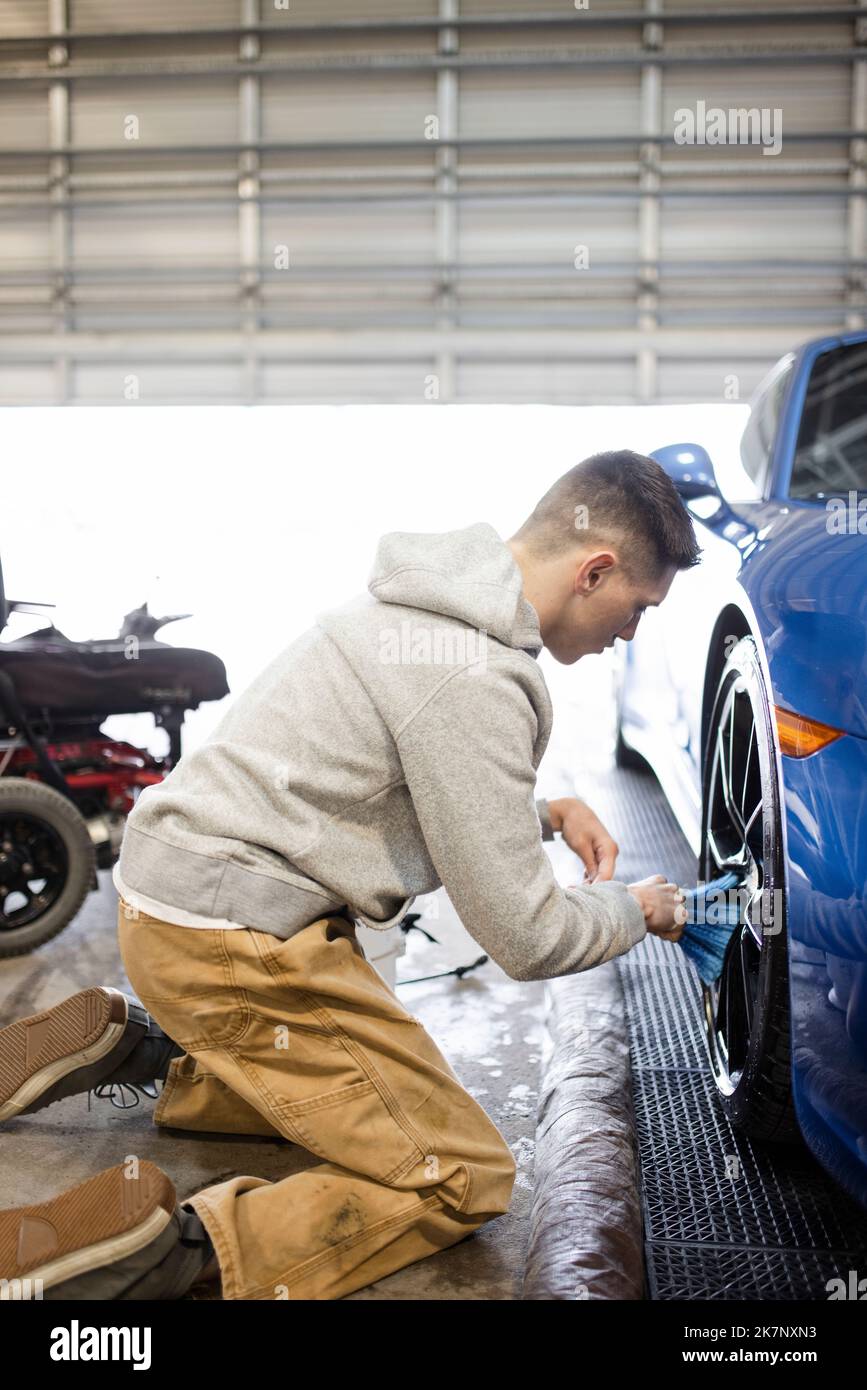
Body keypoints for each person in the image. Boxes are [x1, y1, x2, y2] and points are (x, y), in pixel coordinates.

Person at [0, 449, 698, 1301]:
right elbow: (527, 938)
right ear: (595, 569)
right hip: (232, 938)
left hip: (178, 901)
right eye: (637, 608)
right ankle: (163, 1250)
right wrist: (633, 908)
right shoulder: (471, 672)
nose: (630, 634)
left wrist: (544, 815)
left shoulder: (418, 604)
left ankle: (138, 1044)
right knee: (457, 1173)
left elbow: (408, 791)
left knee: (338, 1098)